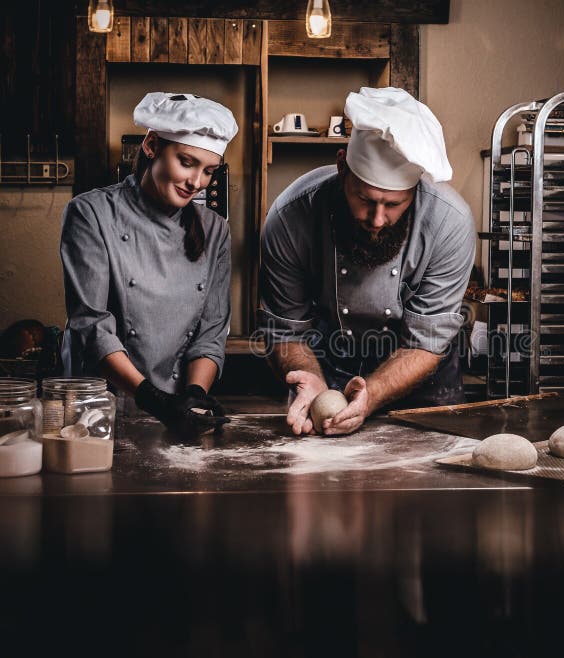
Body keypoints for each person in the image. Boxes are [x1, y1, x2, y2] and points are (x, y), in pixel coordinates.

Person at [259, 86, 475, 436]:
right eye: (364, 199)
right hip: (325, 371)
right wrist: (311, 382)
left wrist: (371, 394)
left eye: (393, 205)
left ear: (415, 190)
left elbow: (426, 341)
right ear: (342, 168)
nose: (376, 219)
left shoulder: (449, 223)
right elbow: (286, 329)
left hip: (421, 379)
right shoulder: (291, 216)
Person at [60, 92, 238, 435]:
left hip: (175, 409)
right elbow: (91, 326)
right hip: (97, 406)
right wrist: (151, 398)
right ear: (152, 145)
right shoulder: (90, 214)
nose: (196, 182)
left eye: (209, 171)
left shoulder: (215, 229)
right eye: (187, 162)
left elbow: (211, 331)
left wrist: (193, 394)